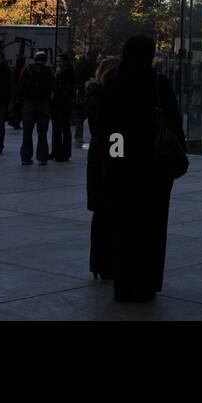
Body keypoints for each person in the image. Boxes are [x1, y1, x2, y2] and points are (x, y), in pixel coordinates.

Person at [98, 36, 184, 302]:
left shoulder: (114, 83)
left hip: (123, 167)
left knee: (124, 228)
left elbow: (105, 127)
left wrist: (114, 160)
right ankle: (147, 283)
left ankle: (124, 284)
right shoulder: (159, 84)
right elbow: (174, 125)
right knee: (153, 228)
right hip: (154, 168)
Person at [85, 55, 120, 280]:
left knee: (101, 215)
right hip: (108, 158)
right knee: (111, 213)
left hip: (98, 157)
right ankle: (108, 263)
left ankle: (99, 262)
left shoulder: (93, 94)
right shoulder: (108, 97)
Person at [19, 51, 55, 165]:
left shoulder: (28, 69)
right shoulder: (48, 71)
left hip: (29, 105)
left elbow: (20, 84)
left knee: (27, 133)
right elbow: (52, 87)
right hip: (43, 105)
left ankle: (25, 157)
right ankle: (42, 157)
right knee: (42, 133)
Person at [51, 53, 75, 162]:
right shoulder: (58, 73)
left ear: (65, 61)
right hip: (56, 104)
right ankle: (56, 151)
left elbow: (67, 90)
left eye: (60, 61)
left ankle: (65, 153)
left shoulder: (69, 73)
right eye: (57, 61)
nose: (58, 63)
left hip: (64, 104)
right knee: (56, 129)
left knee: (64, 128)